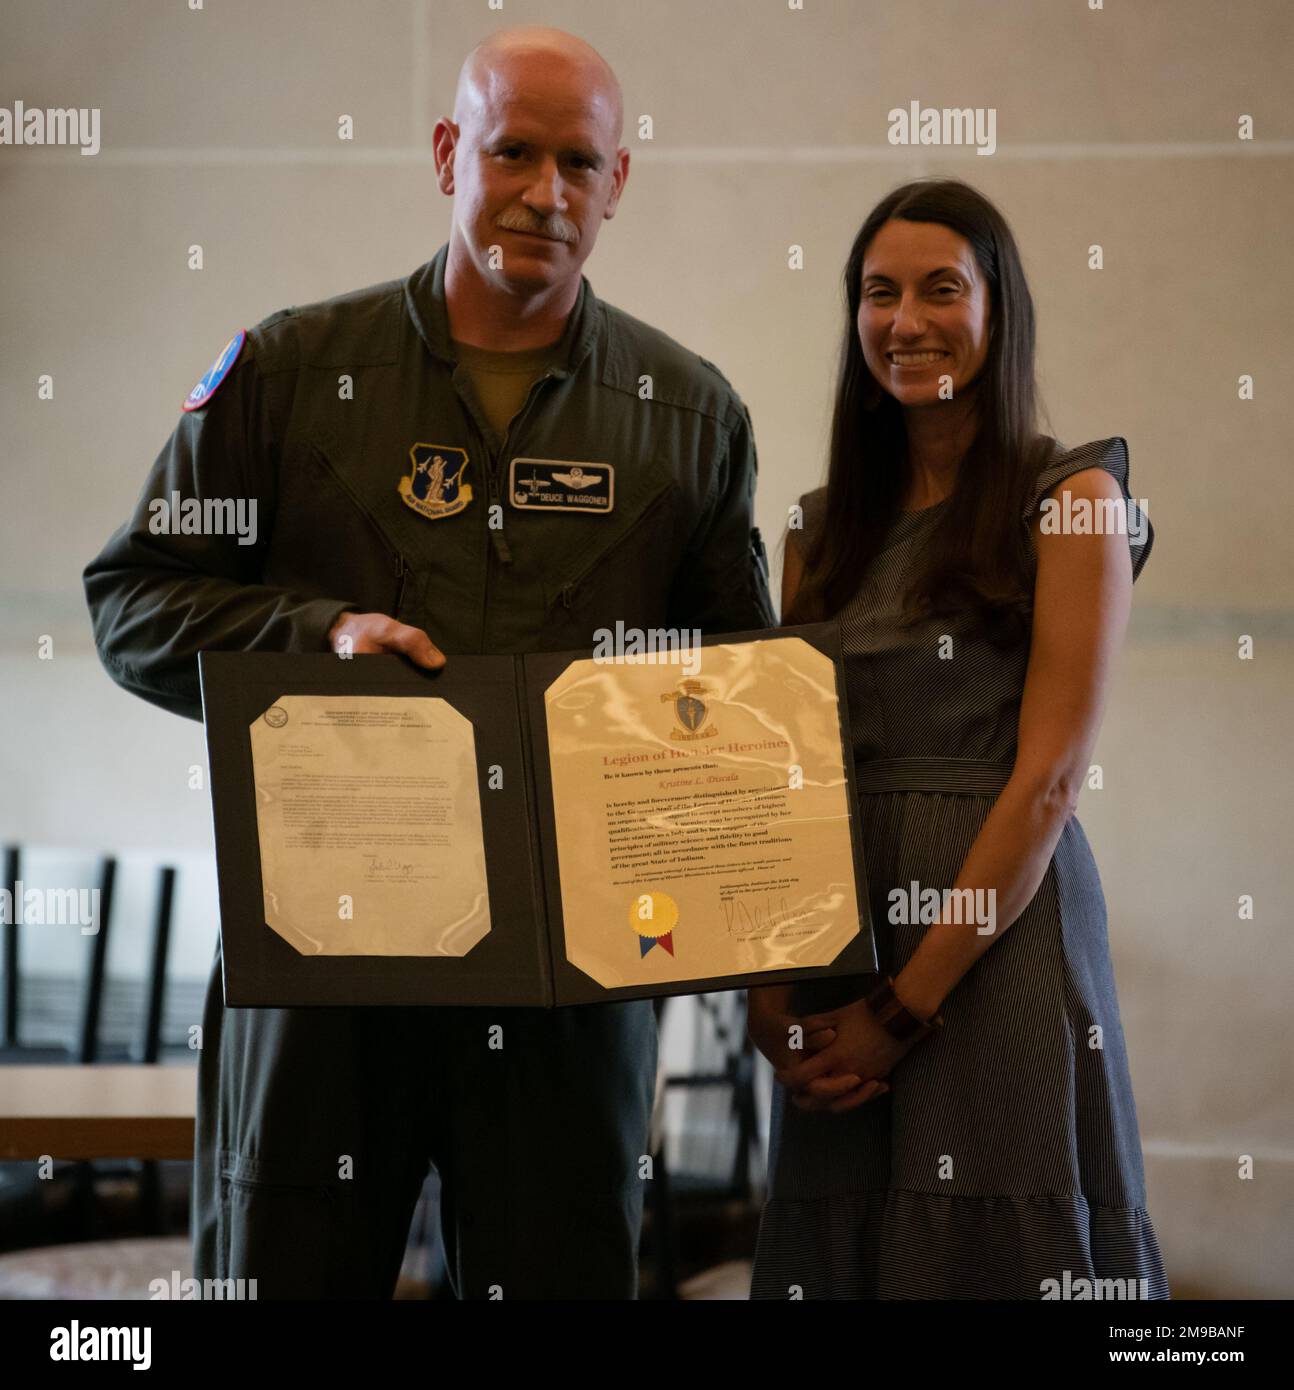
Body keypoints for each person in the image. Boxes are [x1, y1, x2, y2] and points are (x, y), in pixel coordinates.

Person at [83, 26, 774, 1299]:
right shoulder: (290, 374)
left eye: (581, 161)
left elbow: (734, 705)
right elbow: (131, 600)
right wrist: (313, 638)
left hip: (574, 983)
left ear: (619, 182)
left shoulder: (689, 416)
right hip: (322, 962)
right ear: (451, 153)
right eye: (514, 150)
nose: (545, 193)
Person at [747, 178, 1168, 1300]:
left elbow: (1047, 782)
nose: (907, 320)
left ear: (999, 308)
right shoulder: (816, 530)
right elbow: (787, 777)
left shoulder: (1070, 497)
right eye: (878, 293)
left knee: (992, 1248)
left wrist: (901, 1010)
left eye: (942, 288)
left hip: (995, 942)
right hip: (839, 943)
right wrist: (767, 1001)